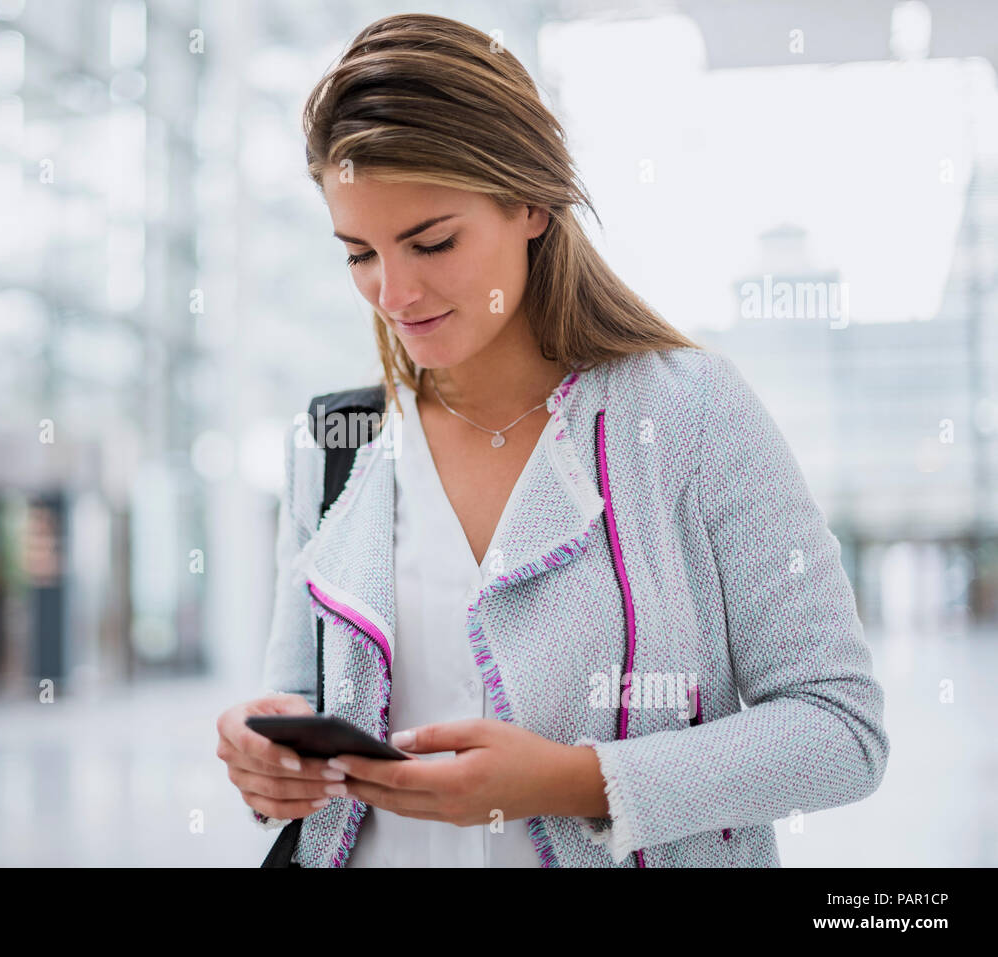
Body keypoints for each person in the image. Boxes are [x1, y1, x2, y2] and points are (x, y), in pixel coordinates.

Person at [215, 12, 888, 867]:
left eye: (432, 242)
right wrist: (263, 755)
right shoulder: (334, 445)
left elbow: (841, 729)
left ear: (530, 202)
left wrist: (576, 780)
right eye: (359, 253)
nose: (393, 291)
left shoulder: (692, 415)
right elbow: (300, 702)